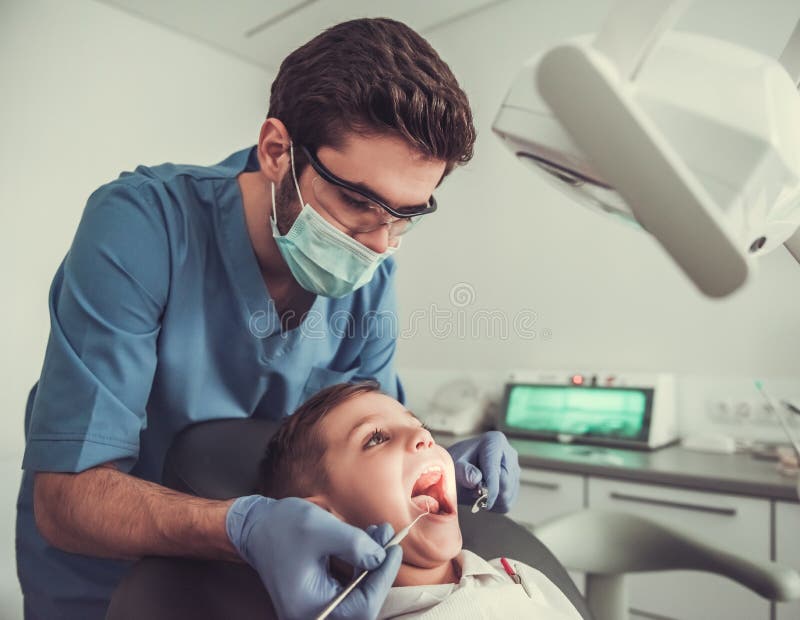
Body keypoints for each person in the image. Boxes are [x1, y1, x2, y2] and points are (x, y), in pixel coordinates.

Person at [17, 17, 521, 620]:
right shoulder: (142, 228)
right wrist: (247, 526)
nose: (382, 245)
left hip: (269, 582)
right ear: (278, 151)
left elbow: (366, 438)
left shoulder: (369, 269)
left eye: (407, 215)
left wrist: (427, 458)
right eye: (360, 202)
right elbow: (67, 497)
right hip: (107, 578)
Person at [255, 381, 581, 619]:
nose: (423, 437)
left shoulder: (517, 574)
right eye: (376, 438)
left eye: (419, 425)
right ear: (320, 520)